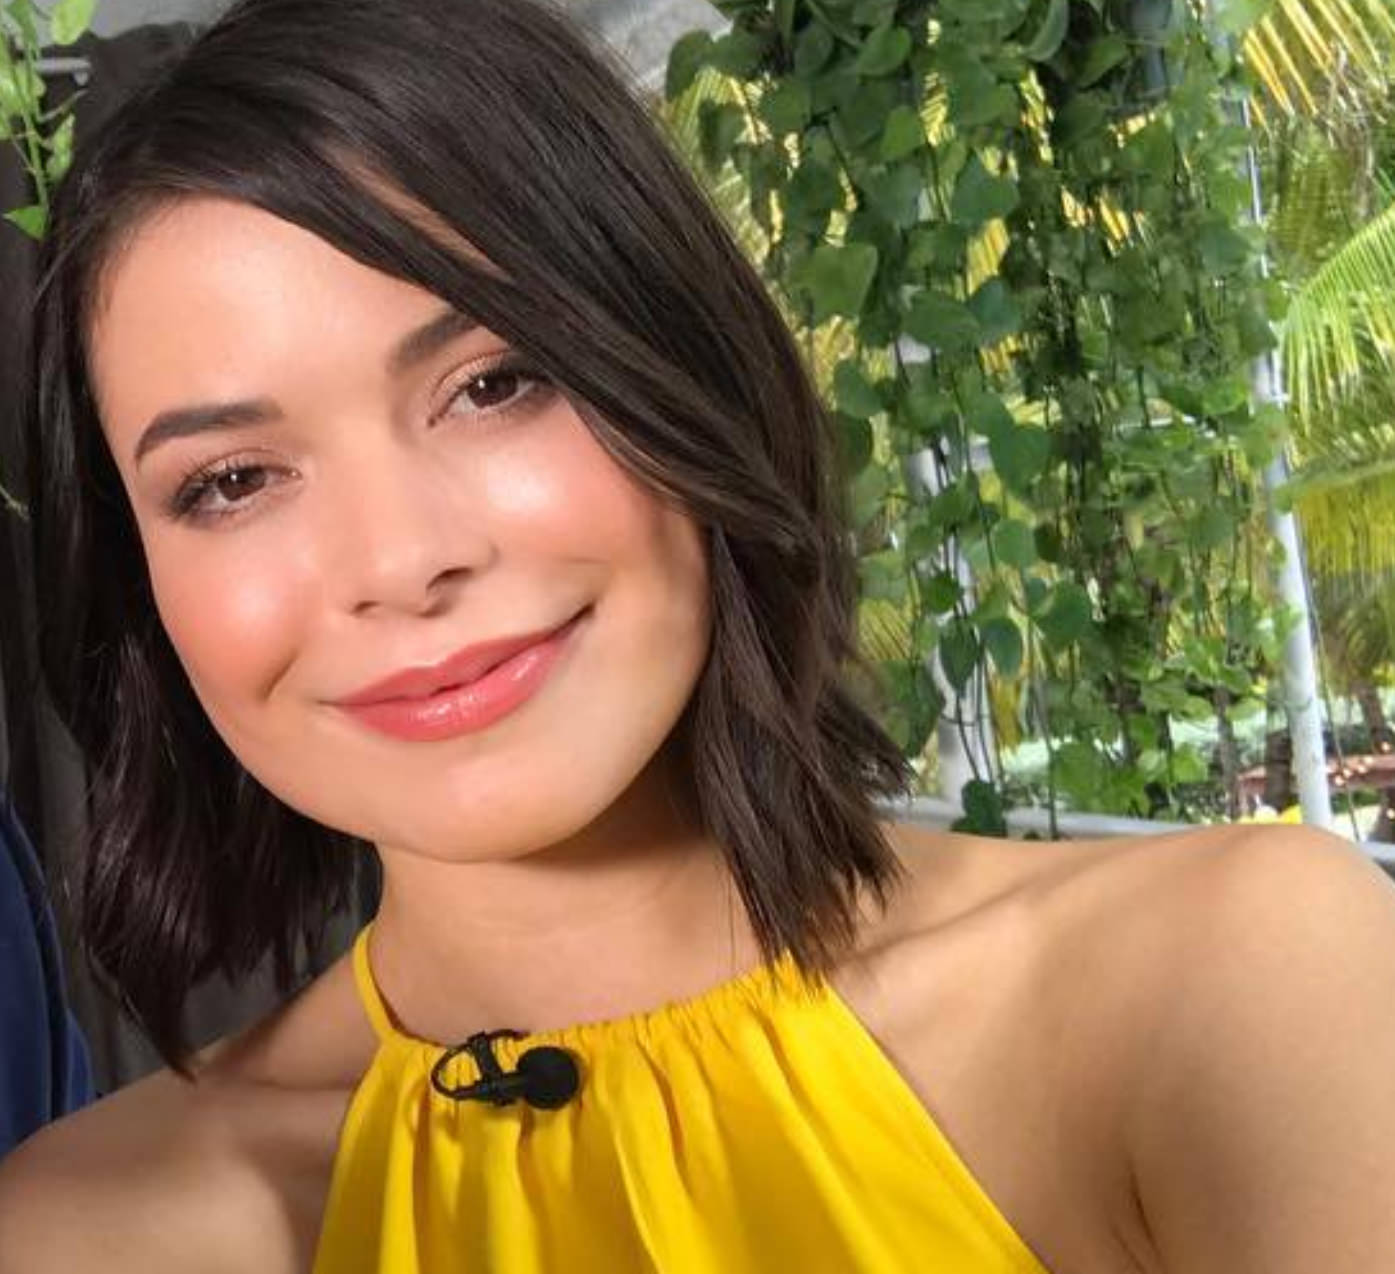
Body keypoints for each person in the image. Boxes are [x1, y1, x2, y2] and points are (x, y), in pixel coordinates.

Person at [1, 0, 1393, 1269]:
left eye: (495, 383)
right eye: (232, 481)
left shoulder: (1233, 984)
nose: (401, 562)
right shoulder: (91, 1229)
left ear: (685, 363)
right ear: (140, 582)